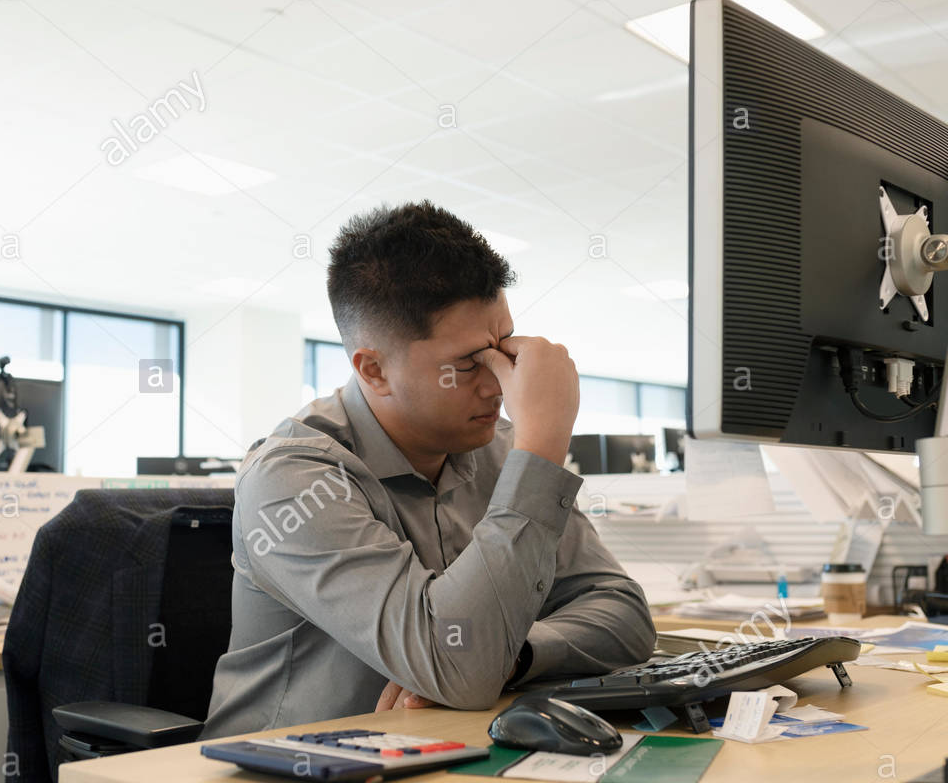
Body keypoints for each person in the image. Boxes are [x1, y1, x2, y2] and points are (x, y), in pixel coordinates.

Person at [200, 200, 655, 738]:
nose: (498, 386)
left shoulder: (499, 449)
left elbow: (624, 614)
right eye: (468, 364)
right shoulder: (293, 481)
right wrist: (544, 445)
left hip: (437, 762)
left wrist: (518, 654)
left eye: (503, 351)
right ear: (375, 370)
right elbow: (459, 665)